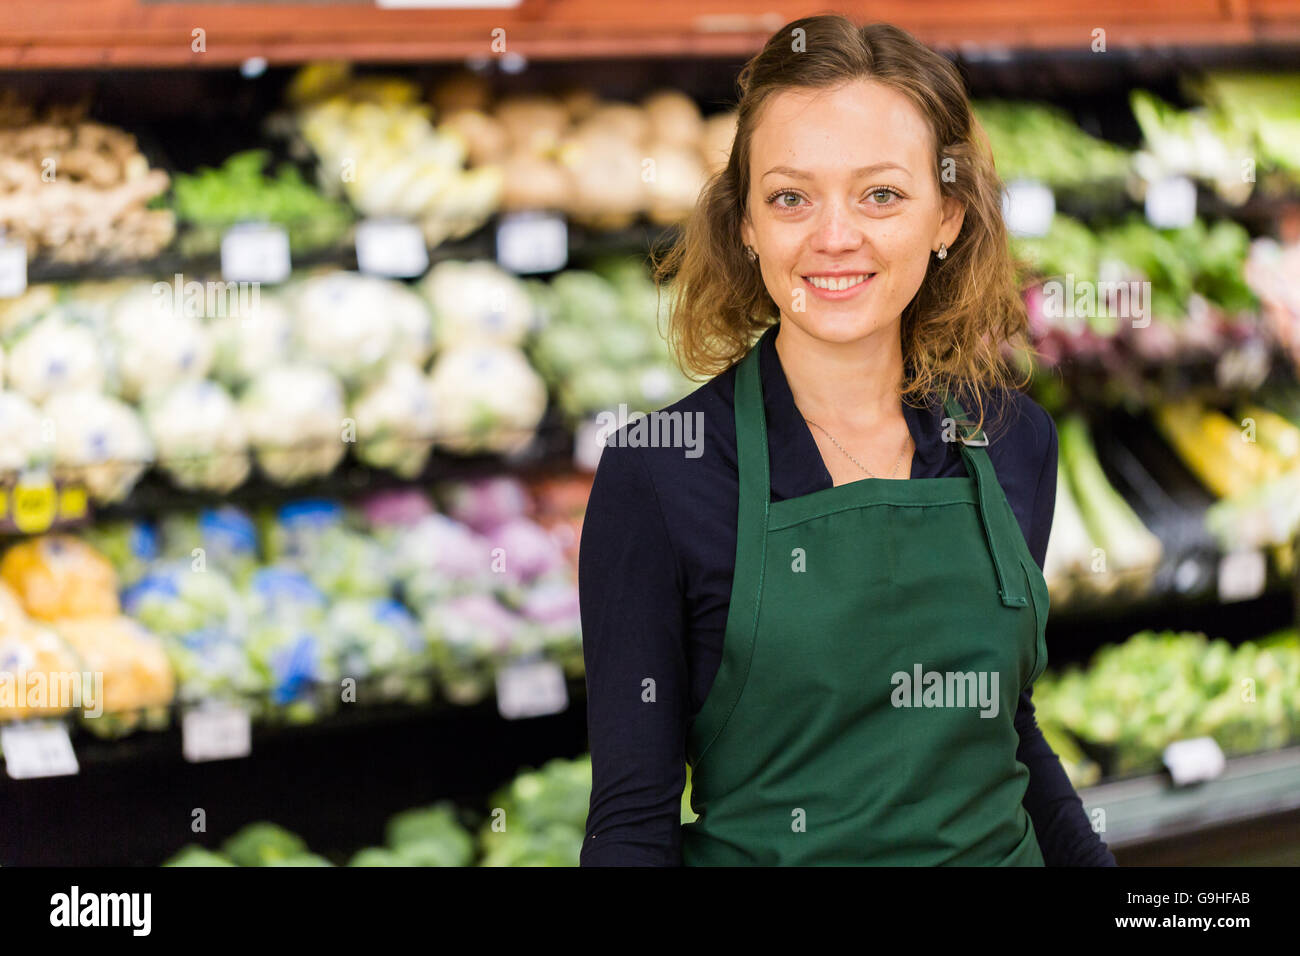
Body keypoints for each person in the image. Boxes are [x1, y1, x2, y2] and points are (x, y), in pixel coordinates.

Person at [578, 14, 1116, 866]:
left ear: (948, 218)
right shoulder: (662, 474)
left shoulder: (1014, 441)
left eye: (881, 194)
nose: (834, 238)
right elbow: (632, 825)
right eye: (790, 197)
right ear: (746, 224)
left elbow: (1005, 729)